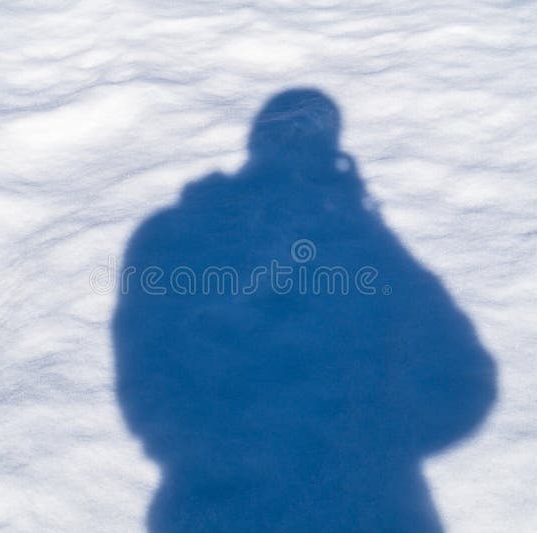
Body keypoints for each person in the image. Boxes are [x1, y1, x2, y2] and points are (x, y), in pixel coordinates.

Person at [113, 89, 496, 532]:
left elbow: (147, 379)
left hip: (221, 500)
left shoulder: (170, 234)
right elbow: (463, 378)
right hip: (361, 499)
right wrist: (377, 441)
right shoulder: (356, 241)